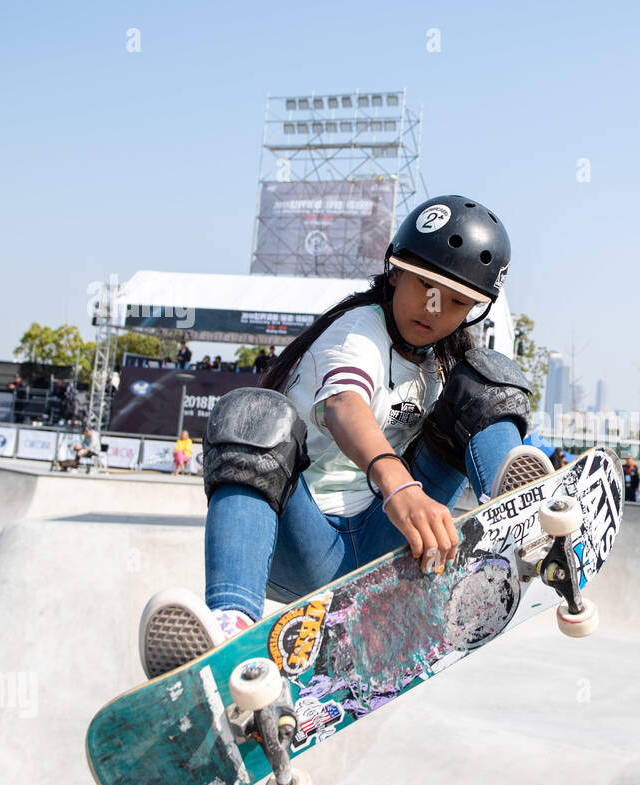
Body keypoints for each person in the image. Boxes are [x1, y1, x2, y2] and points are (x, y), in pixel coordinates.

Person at [136, 194, 552, 679]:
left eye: (456, 301)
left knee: (490, 378)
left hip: (390, 543)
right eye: (424, 285)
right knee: (250, 413)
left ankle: (516, 524)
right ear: (394, 271)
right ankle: (230, 626)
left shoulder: (445, 362)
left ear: (473, 311)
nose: (434, 308)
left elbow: (471, 402)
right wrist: (397, 484)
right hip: (303, 546)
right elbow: (343, 405)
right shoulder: (357, 333)